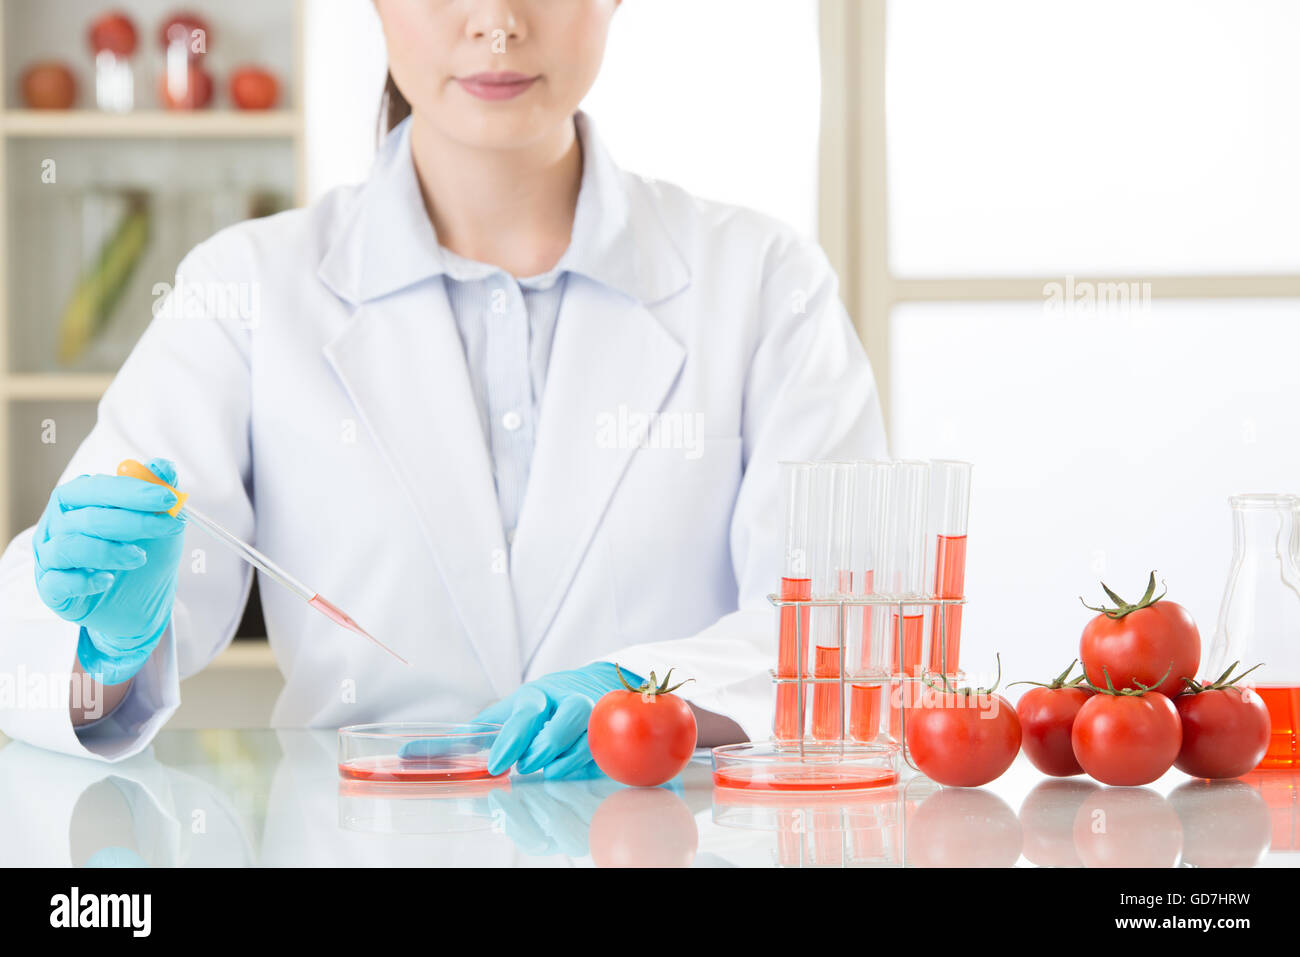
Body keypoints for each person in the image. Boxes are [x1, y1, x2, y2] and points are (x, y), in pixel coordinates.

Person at [0, 0, 885, 772]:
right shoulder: (248, 288)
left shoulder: (766, 284)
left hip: (667, 836)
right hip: (357, 840)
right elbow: (29, 651)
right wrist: (104, 638)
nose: (496, 20)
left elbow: (854, 628)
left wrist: (664, 694)